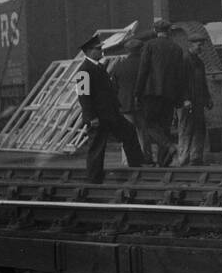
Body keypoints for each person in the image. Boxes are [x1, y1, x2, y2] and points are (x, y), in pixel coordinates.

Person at [76, 34, 145, 182]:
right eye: (98, 48)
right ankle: (94, 180)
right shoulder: (84, 70)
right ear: (88, 51)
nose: (101, 50)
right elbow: (83, 96)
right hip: (98, 117)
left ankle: (136, 167)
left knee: (129, 132)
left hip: (111, 114)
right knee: (97, 148)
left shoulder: (98, 67)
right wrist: (91, 117)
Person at [135, 17, 188, 166]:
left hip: (151, 93)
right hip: (170, 94)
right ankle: (163, 163)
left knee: (149, 124)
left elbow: (143, 71)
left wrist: (137, 92)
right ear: (169, 31)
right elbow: (180, 75)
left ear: (155, 31)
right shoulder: (176, 48)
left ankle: (168, 146)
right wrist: (180, 97)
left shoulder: (149, 46)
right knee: (164, 127)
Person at [169, 26, 212, 166]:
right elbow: (181, 82)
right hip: (187, 102)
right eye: (199, 45)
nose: (201, 47)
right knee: (186, 129)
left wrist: (207, 98)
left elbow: (202, 82)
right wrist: (185, 99)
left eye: (202, 45)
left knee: (199, 129)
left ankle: (196, 158)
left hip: (198, 102)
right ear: (191, 44)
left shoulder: (199, 62)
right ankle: (183, 158)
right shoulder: (185, 60)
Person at [110, 36, 153, 165]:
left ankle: (126, 160)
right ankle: (145, 158)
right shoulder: (146, 65)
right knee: (143, 133)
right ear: (141, 49)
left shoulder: (119, 66)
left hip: (124, 104)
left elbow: (114, 87)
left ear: (127, 50)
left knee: (127, 134)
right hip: (142, 103)